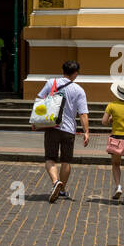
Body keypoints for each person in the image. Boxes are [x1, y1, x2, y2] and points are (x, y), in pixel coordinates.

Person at [34, 60, 89, 203]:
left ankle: (55, 182)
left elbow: (39, 101)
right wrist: (86, 132)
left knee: (50, 158)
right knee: (66, 161)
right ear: (76, 73)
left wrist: (36, 121)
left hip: (52, 127)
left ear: (63, 70)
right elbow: (83, 113)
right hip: (69, 129)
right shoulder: (79, 90)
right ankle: (62, 189)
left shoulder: (51, 83)